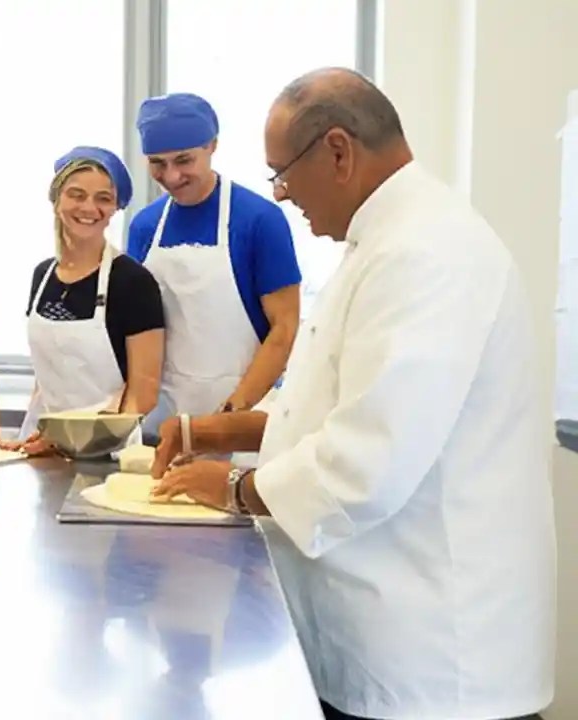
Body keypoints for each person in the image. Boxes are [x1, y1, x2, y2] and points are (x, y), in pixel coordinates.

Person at [151, 68, 554, 720]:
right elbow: (332, 401)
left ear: (337, 150)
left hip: (434, 668)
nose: (281, 196)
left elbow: (366, 461)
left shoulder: (427, 253)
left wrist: (232, 491)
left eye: (283, 174)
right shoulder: (384, 245)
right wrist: (212, 431)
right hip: (385, 643)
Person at [127, 92, 302, 430]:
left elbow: (284, 329)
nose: (172, 176)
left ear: (213, 146)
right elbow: (135, 334)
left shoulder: (259, 220)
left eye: (184, 160)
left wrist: (227, 420)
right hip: (162, 423)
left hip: (242, 420)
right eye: (157, 164)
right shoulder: (145, 227)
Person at [17, 146, 165, 452]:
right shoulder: (42, 276)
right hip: (39, 445)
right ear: (56, 200)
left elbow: (144, 391)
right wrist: (38, 436)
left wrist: (84, 446)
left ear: (114, 210)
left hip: (108, 452)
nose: (89, 208)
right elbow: (47, 376)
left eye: (103, 199)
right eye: (77, 194)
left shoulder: (132, 281)